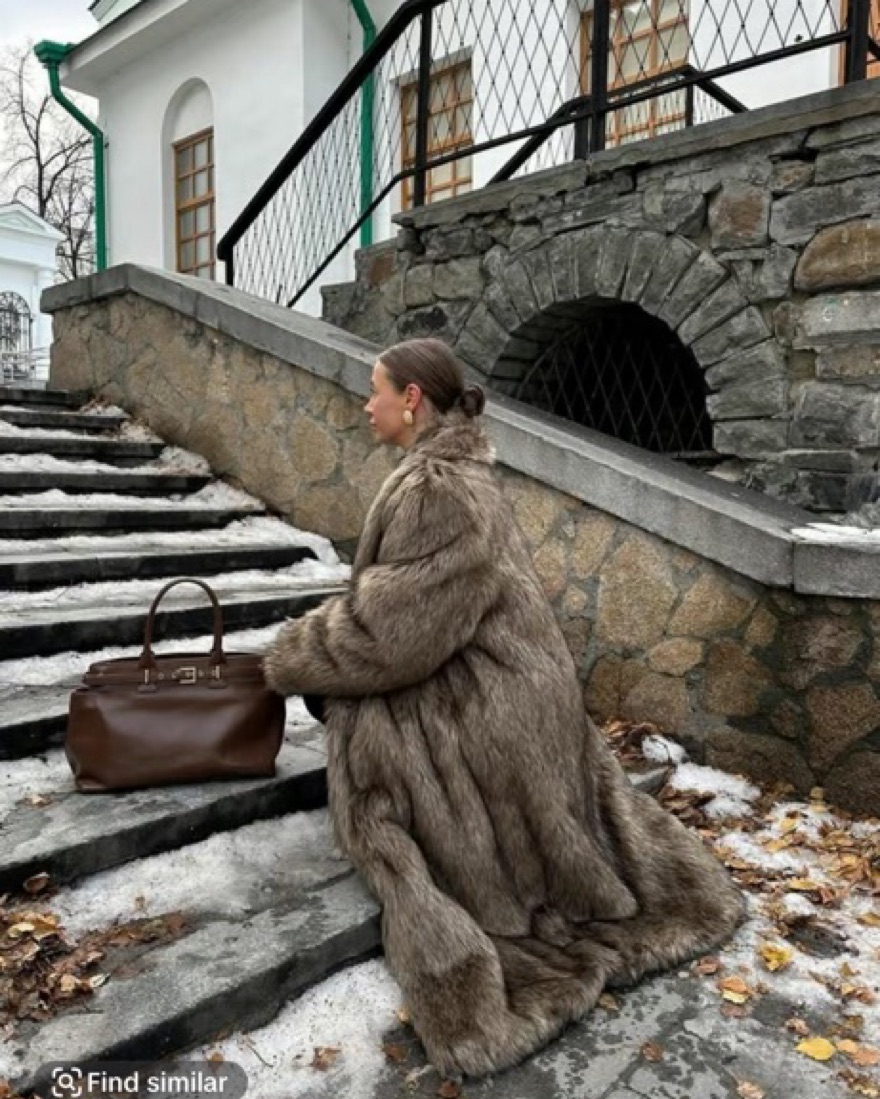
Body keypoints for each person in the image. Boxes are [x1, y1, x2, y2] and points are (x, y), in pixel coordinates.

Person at [262, 337, 745, 1079]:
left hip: (497, 703)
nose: (365, 404)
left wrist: (287, 655)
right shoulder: (453, 473)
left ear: (412, 400)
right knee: (353, 698)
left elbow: (390, 636)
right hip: (514, 687)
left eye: (375, 389)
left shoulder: (437, 488)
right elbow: (411, 613)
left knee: (365, 724)